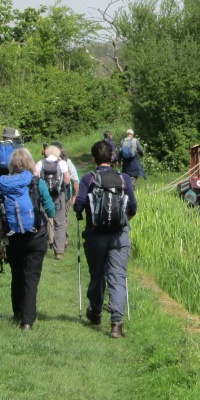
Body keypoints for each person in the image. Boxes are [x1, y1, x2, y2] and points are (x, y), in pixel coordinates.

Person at [74, 139, 138, 338]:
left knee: (97, 275)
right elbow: (133, 207)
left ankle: (96, 312)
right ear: (112, 158)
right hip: (119, 235)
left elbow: (78, 206)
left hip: (95, 236)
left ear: (93, 158)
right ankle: (116, 323)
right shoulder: (124, 178)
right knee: (117, 277)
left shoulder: (88, 179)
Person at [0, 147, 55, 330]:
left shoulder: (3, 185)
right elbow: (51, 209)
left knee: (17, 275)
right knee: (31, 279)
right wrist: (52, 235)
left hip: (12, 239)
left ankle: (18, 313)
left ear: (11, 164)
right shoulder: (36, 182)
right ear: (30, 163)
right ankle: (27, 322)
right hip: (36, 237)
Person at [36, 144, 71, 258]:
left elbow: (35, 178)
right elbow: (67, 180)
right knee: (60, 223)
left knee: (45, 220)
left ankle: (44, 246)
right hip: (58, 195)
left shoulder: (40, 163)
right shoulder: (61, 163)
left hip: (44, 195)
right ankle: (59, 251)